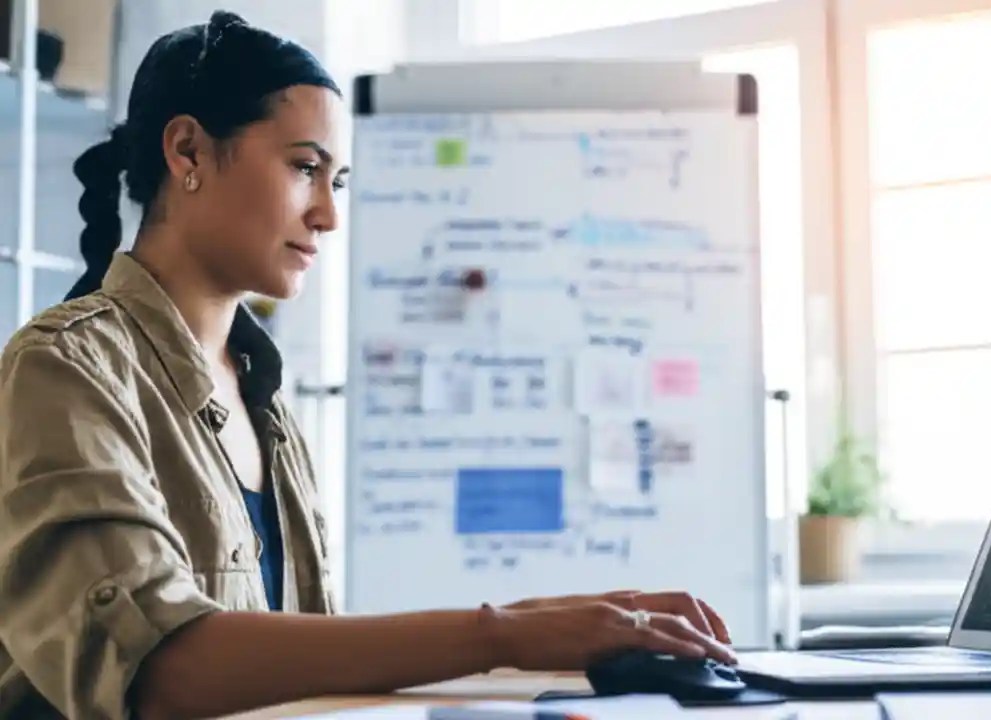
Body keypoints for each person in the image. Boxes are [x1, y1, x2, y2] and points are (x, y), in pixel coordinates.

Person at [0, 11, 735, 720]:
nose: (328, 214)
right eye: (305, 168)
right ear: (188, 151)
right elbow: (163, 671)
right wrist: (504, 632)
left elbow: (297, 662)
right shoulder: (63, 370)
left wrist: (562, 622)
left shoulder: (265, 400)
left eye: (339, 182)